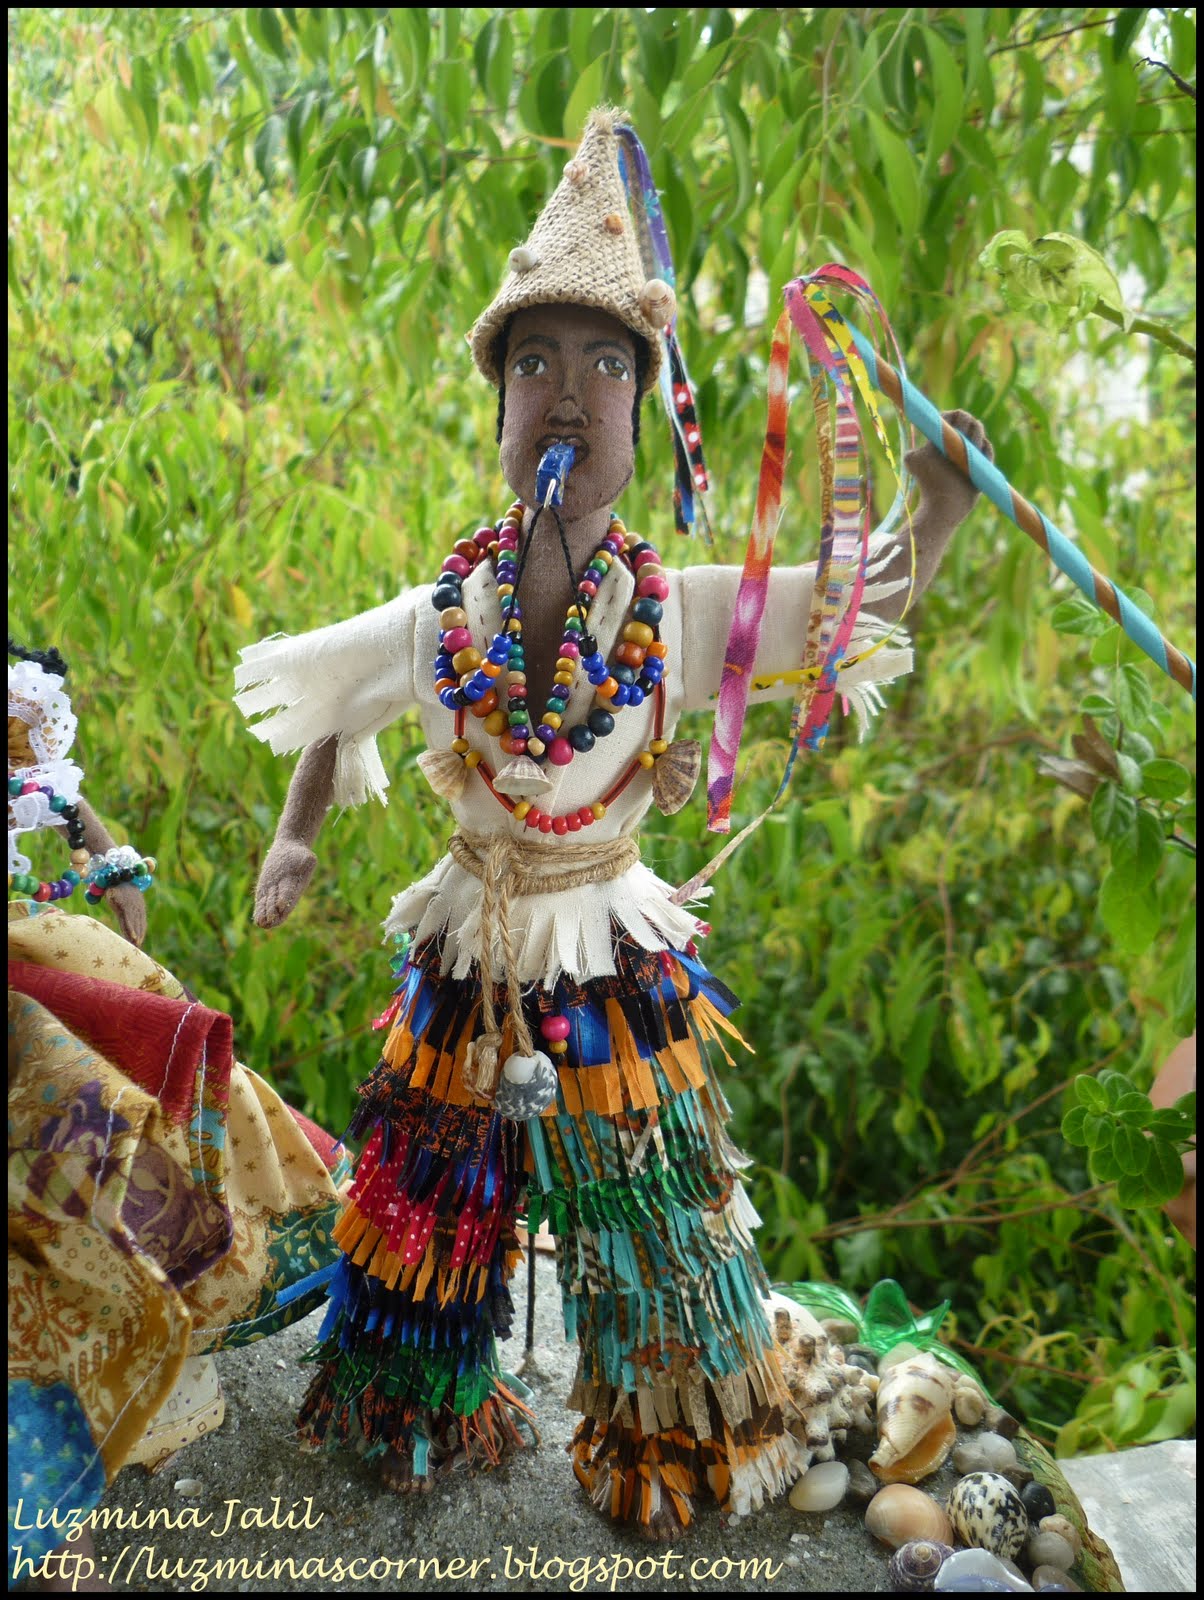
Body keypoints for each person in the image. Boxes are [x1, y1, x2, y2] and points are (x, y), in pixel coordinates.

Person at [234, 107, 991, 1534]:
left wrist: (933, 511)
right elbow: (331, 699)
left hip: (612, 957)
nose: (565, 392)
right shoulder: (440, 614)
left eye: (600, 365)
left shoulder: (681, 611)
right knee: (424, 1200)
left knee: (655, 1212)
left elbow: (844, 619)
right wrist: (297, 835)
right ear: (497, 411)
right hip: (468, 944)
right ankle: (413, 1402)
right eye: (533, 364)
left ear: (645, 416)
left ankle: (681, 1439)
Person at [7, 644, 350, 1575]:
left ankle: (184, 1289)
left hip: (25, 963)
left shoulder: (15, 702)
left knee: (114, 1097)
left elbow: (58, 792)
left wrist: (107, 859)